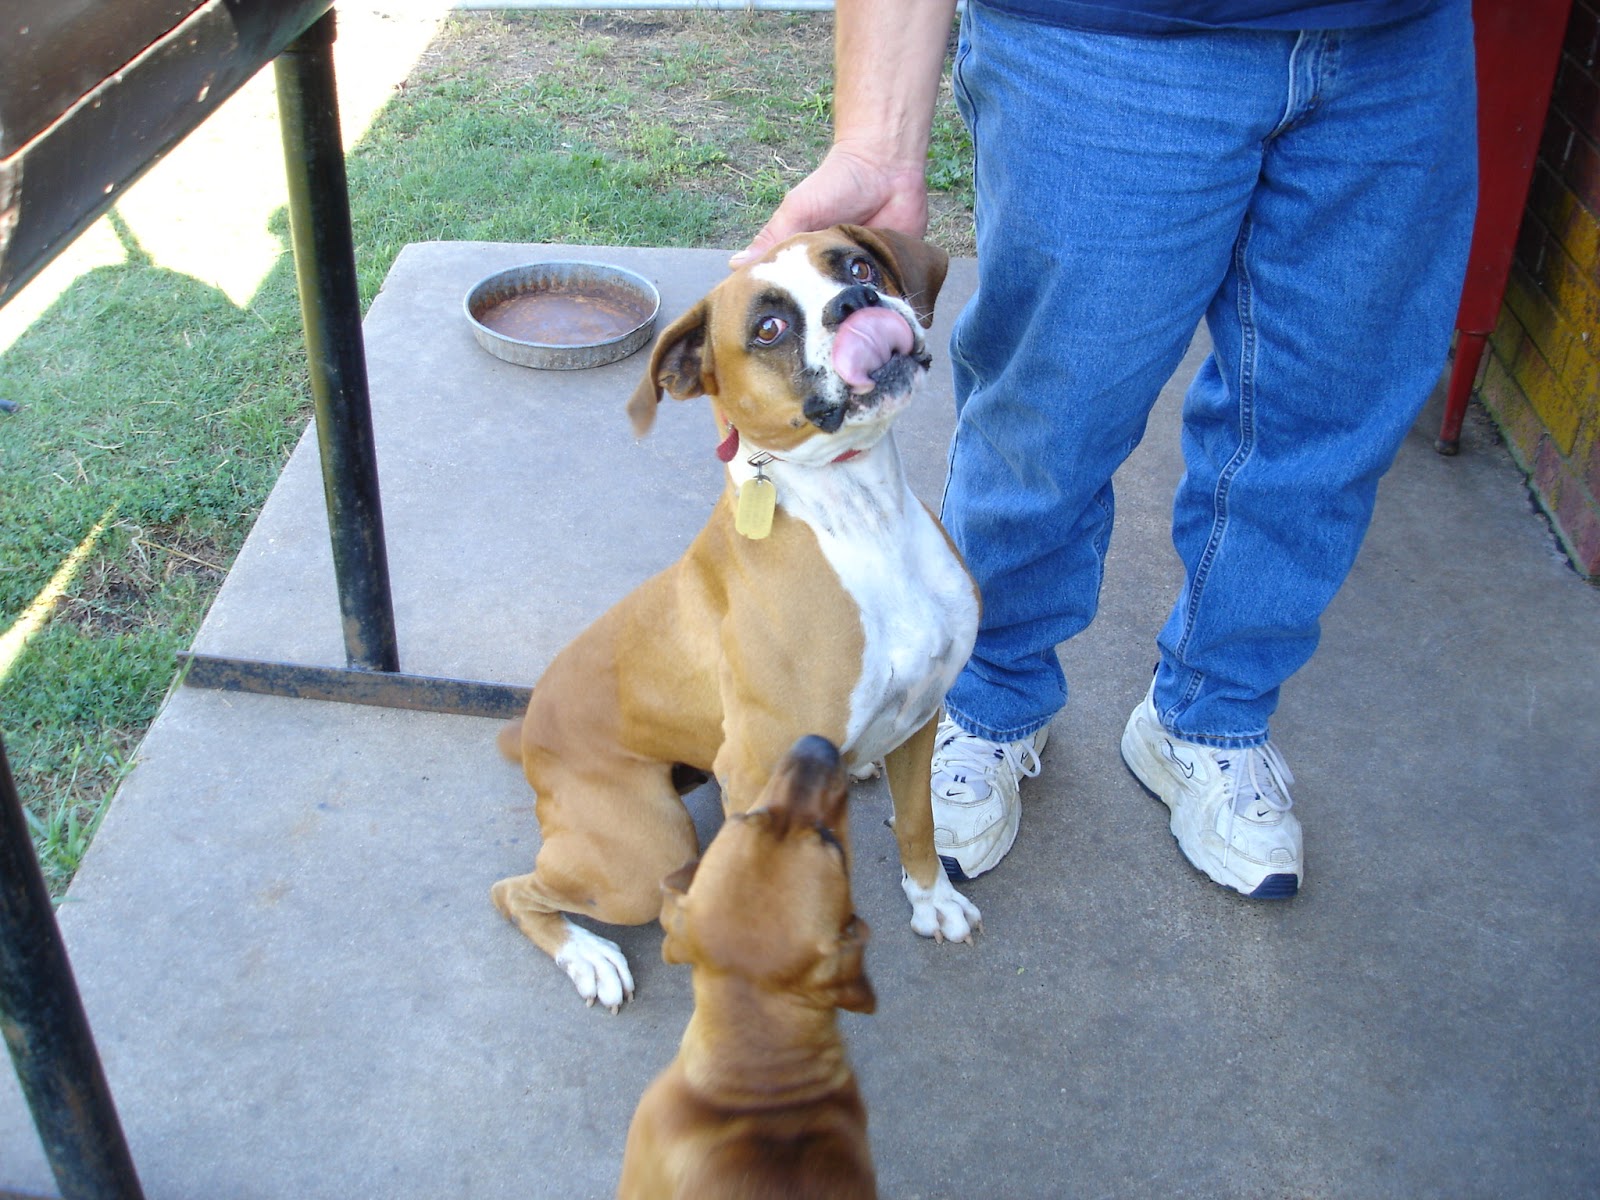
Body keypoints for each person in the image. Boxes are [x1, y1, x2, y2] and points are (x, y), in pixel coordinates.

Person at [732, 0, 1476, 899]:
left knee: (1323, 423)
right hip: (1106, 41)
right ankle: (986, 698)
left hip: (1398, 42)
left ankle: (1213, 720)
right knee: (1051, 416)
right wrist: (879, 138)